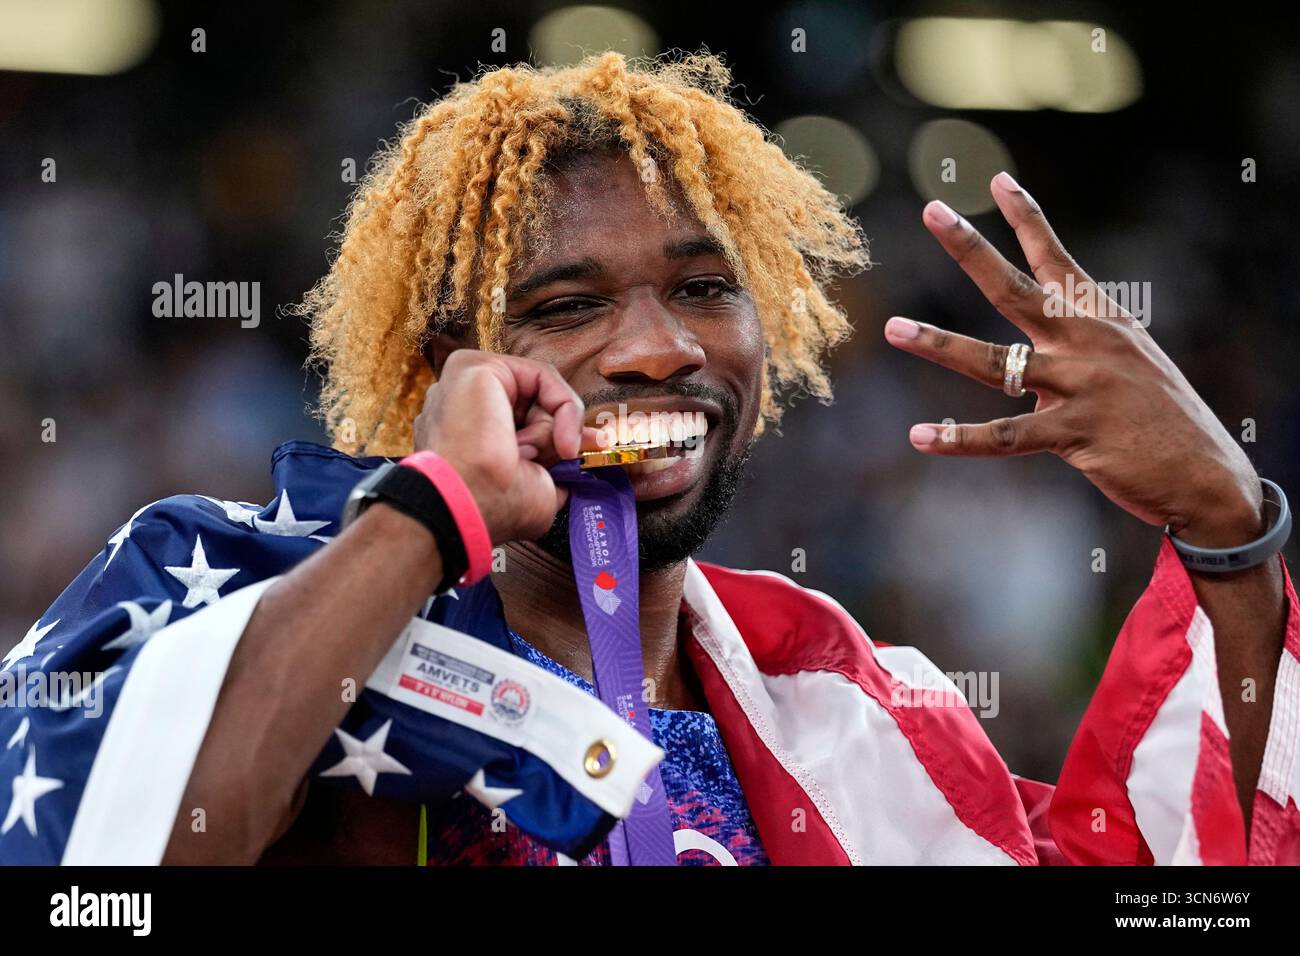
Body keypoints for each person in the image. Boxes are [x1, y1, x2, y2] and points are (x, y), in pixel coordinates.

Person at [2, 52, 1295, 866]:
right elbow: (106, 874)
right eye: (567, 306)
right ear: (448, 365)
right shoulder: (256, 615)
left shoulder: (858, 714)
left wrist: (1228, 534)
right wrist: (433, 513)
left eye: (704, 288)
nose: (659, 349)